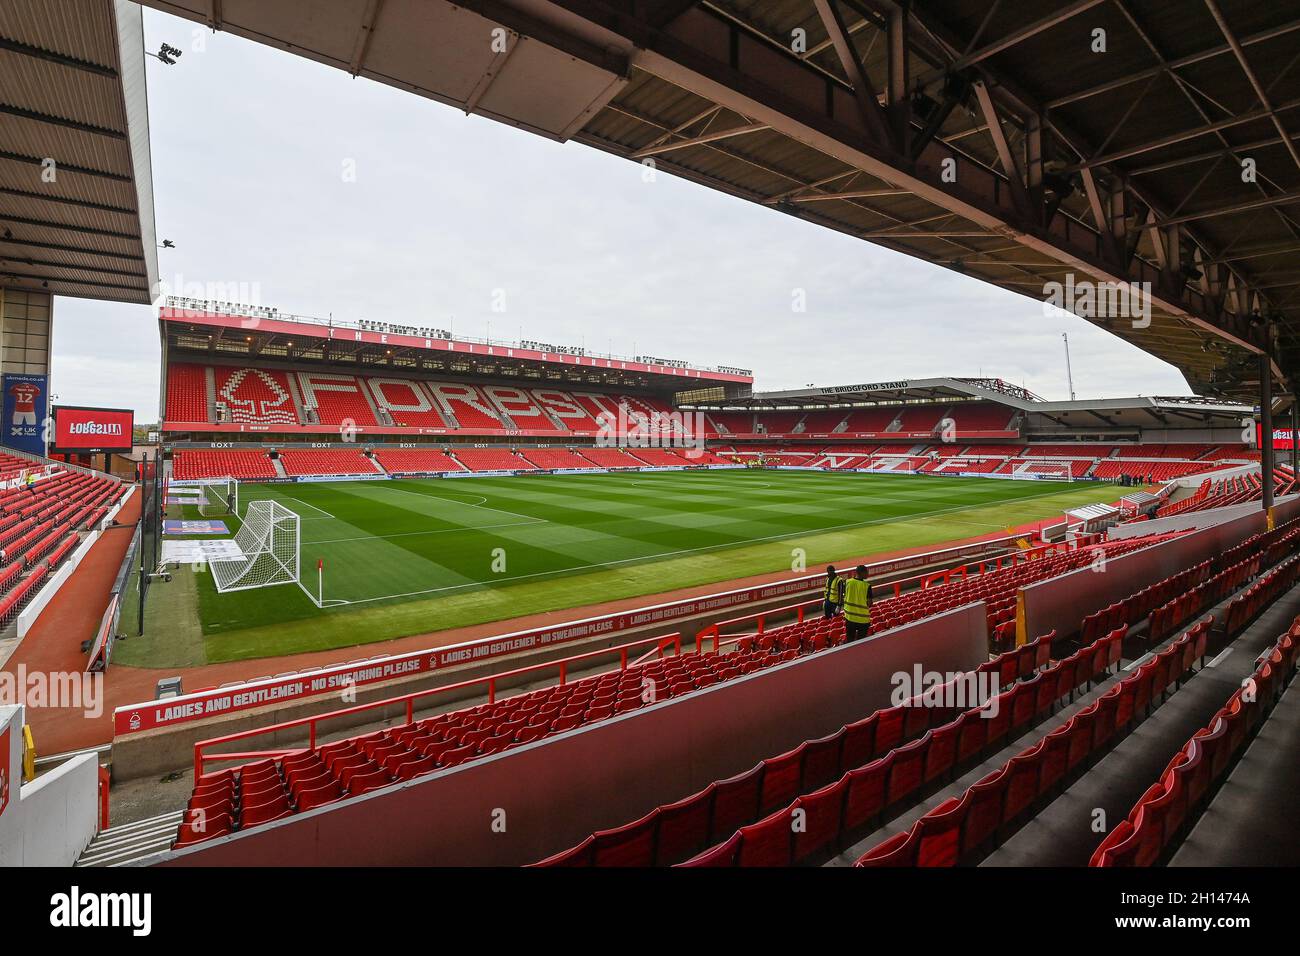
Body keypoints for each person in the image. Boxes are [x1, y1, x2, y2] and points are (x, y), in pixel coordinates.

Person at [841, 565, 873, 642]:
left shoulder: (847, 582)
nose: (868, 574)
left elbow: (844, 596)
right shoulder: (867, 586)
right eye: (866, 572)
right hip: (863, 620)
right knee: (861, 642)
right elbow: (869, 603)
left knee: (850, 641)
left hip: (849, 618)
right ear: (862, 573)